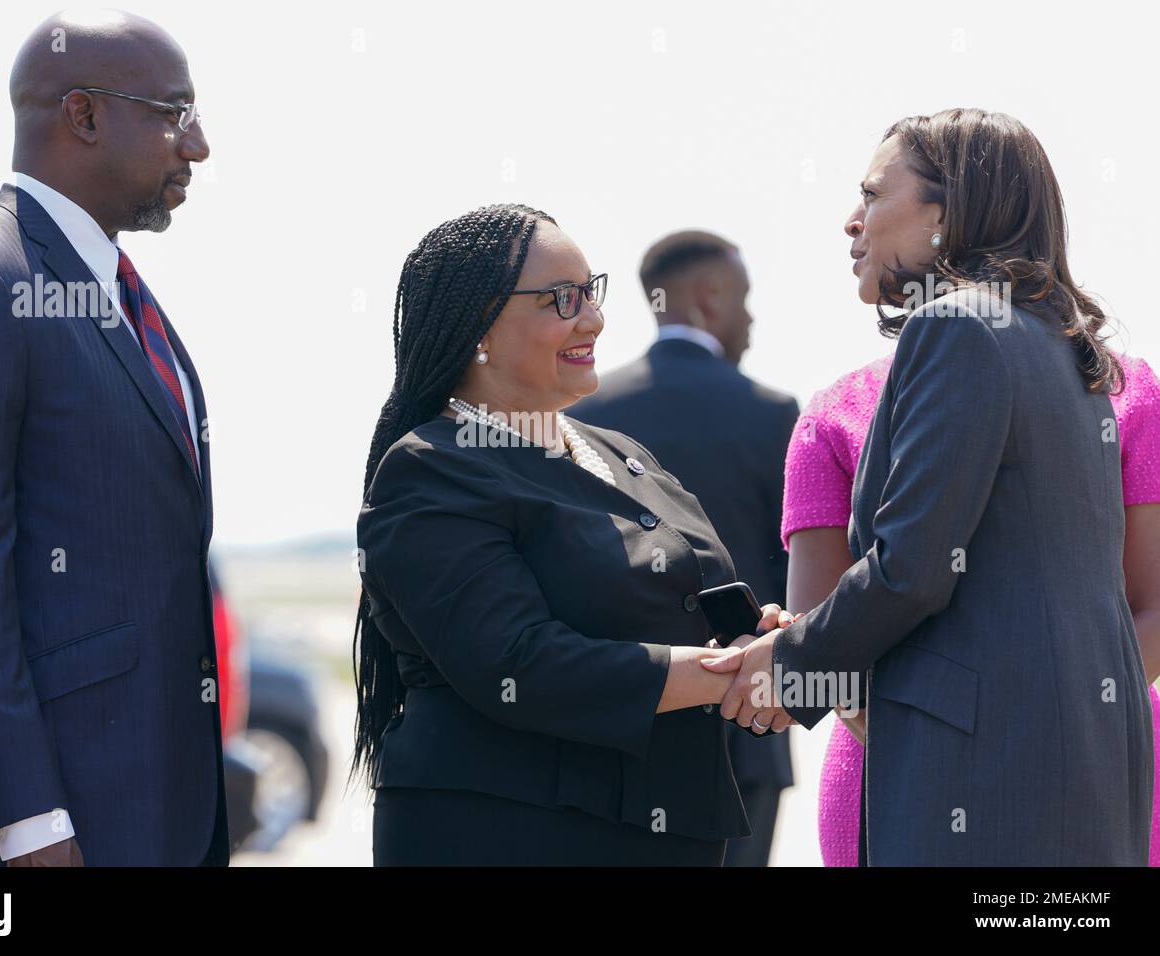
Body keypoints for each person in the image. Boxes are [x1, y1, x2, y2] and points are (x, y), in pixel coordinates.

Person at [706, 108, 1154, 864]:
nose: (852, 221)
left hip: (973, 785)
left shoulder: (956, 330)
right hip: (1082, 784)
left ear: (948, 213)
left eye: (874, 194)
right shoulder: (1066, 351)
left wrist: (785, 668)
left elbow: (911, 571)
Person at [0, 11, 225, 866]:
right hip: (49, 827)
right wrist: (27, 817)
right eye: (176, 113)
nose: (201, 145)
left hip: (154, 803)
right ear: (82, 115)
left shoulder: (115, 288)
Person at [352, 203, 792, 866]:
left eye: (591, 292)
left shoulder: (619, 452)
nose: (594, 318)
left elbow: (682, 602)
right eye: (562, 298)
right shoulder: (431, 468)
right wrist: (729, 673)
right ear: (478, 326)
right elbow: (520, 664)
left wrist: (754, 638)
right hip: (508, 833)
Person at [783, 350, 1160, 867]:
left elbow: (1153, 605)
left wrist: (1049, 737)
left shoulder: (1121, 387)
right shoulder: (833, 413)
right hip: (894, 775)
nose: (847, 261)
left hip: (1096, 771)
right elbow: (818, 636)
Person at [568, 230, 799, 866]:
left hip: (617, 731)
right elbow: (791, 570)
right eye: (744, 298)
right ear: (708, 297)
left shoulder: (588, 412)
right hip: (747, 723)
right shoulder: (770, 412)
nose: (750, 317)